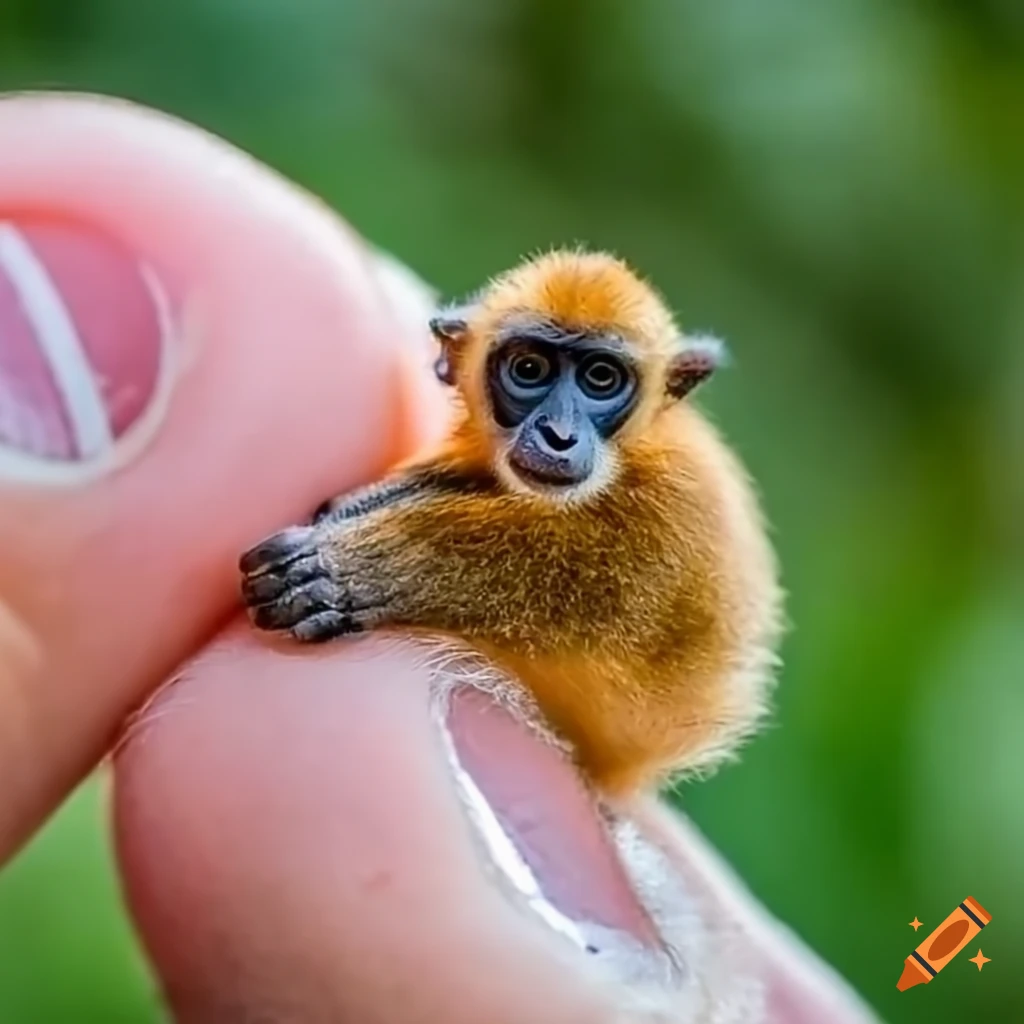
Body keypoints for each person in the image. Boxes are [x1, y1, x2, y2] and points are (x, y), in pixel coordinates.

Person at [0, 93, 881, 1023]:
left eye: (604, 387)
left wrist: (360, 565)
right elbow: (441, 504)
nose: (559, 426)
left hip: (636, 668)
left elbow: (579, 580)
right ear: (458, 360)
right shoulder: (465, 454)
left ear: (673, 390)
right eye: (530, 374)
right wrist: (359, 524)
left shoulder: (666, 493)